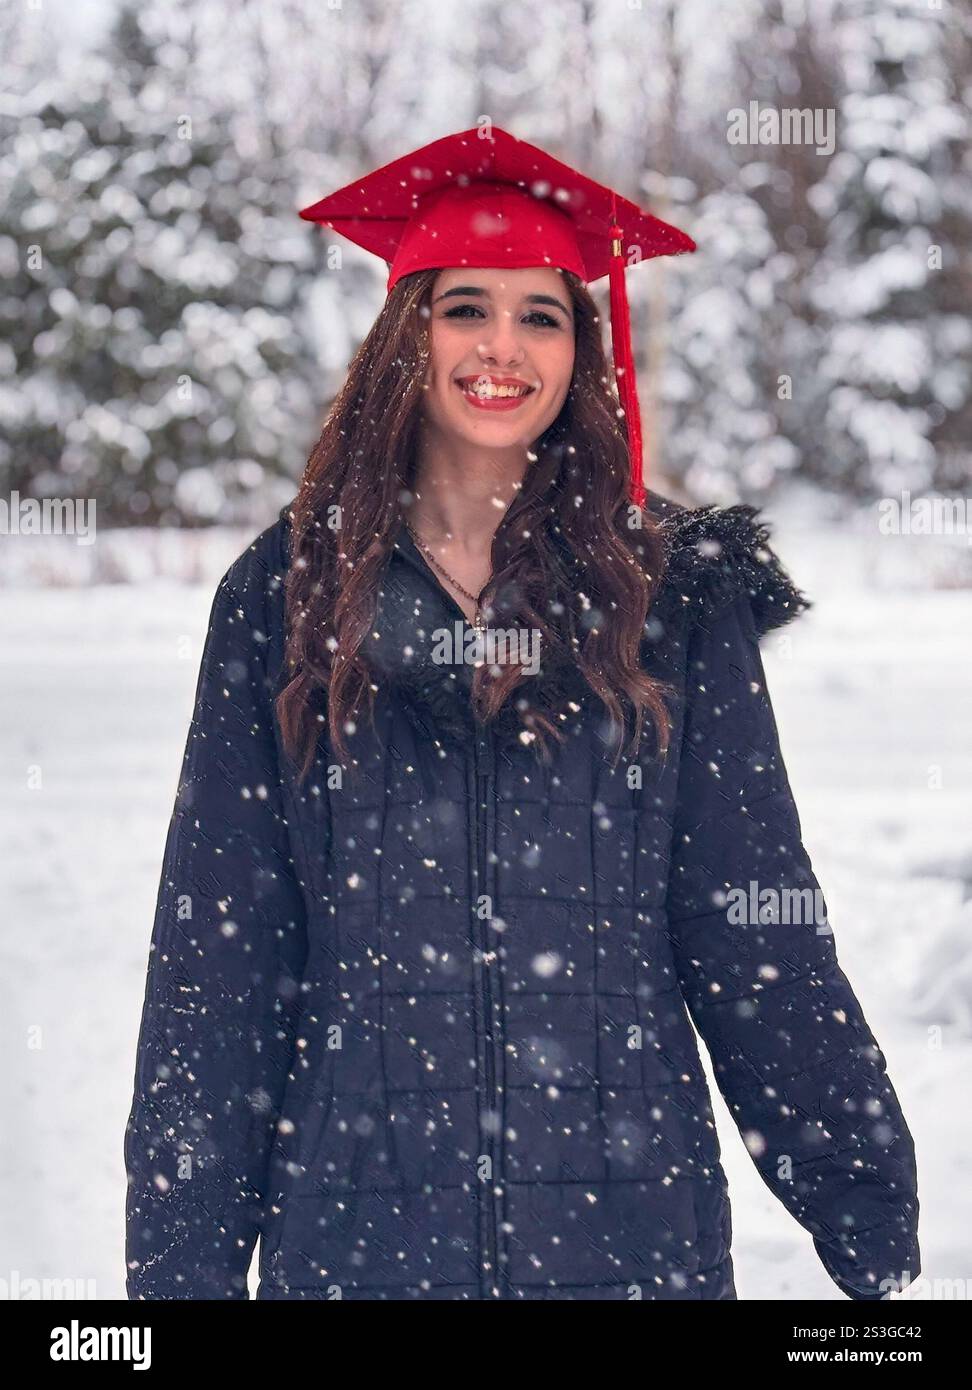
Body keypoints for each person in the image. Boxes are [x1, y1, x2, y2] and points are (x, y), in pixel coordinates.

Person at [124, 126, 920, 1300]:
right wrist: (178, 1266)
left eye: (541, 315)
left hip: (631, 1238)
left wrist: (861, 1200)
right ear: (410, 333)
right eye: (466, 309)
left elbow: (753, 921)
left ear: (581, 347)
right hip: (357, 1246)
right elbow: (222, 950)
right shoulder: (290, 593)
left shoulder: (670, 595)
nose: (503, 348)